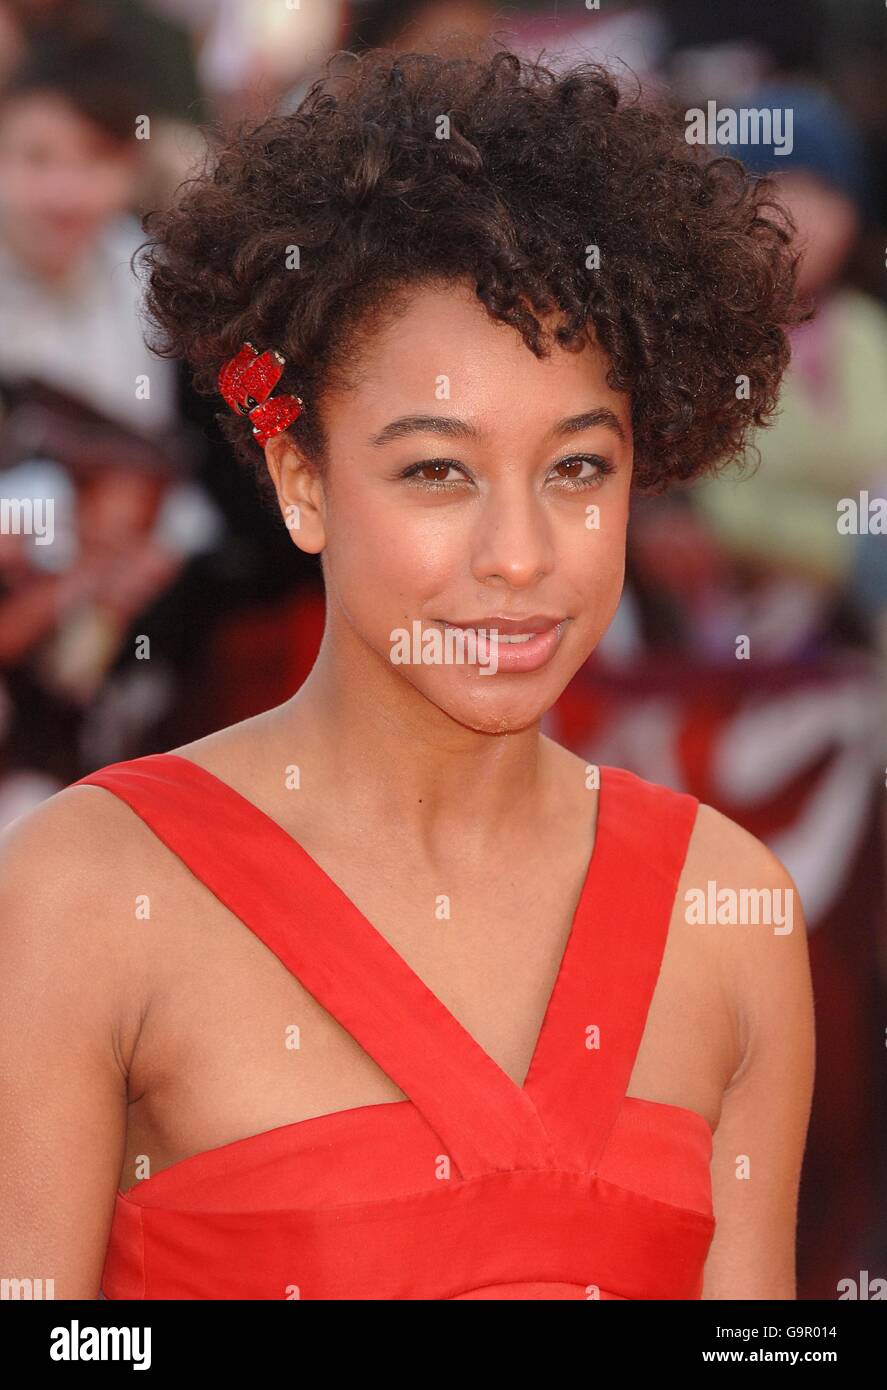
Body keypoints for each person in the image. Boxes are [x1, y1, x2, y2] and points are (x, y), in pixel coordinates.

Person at [0, 47, 815, 1301]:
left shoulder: (730, 912)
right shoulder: (85, 891)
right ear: (302, 481)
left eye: (577, 469)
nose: (519, 556)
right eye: (436, 470)